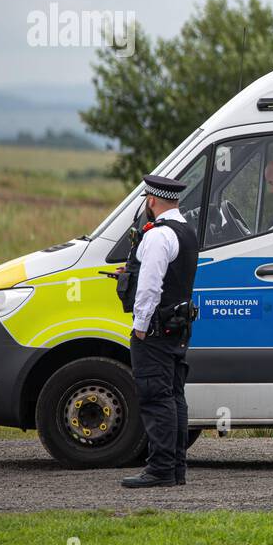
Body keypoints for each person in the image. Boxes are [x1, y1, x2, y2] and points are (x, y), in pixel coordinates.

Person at [120, 174, 199, 488]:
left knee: (156, 397)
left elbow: (150, 288)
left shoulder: (157, 235)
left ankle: (160, 469)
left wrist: (140, 327)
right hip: (177, 327)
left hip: (154, 329)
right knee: (174, 397)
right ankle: (176, 468)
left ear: (151, 200)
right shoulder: (186, 231)